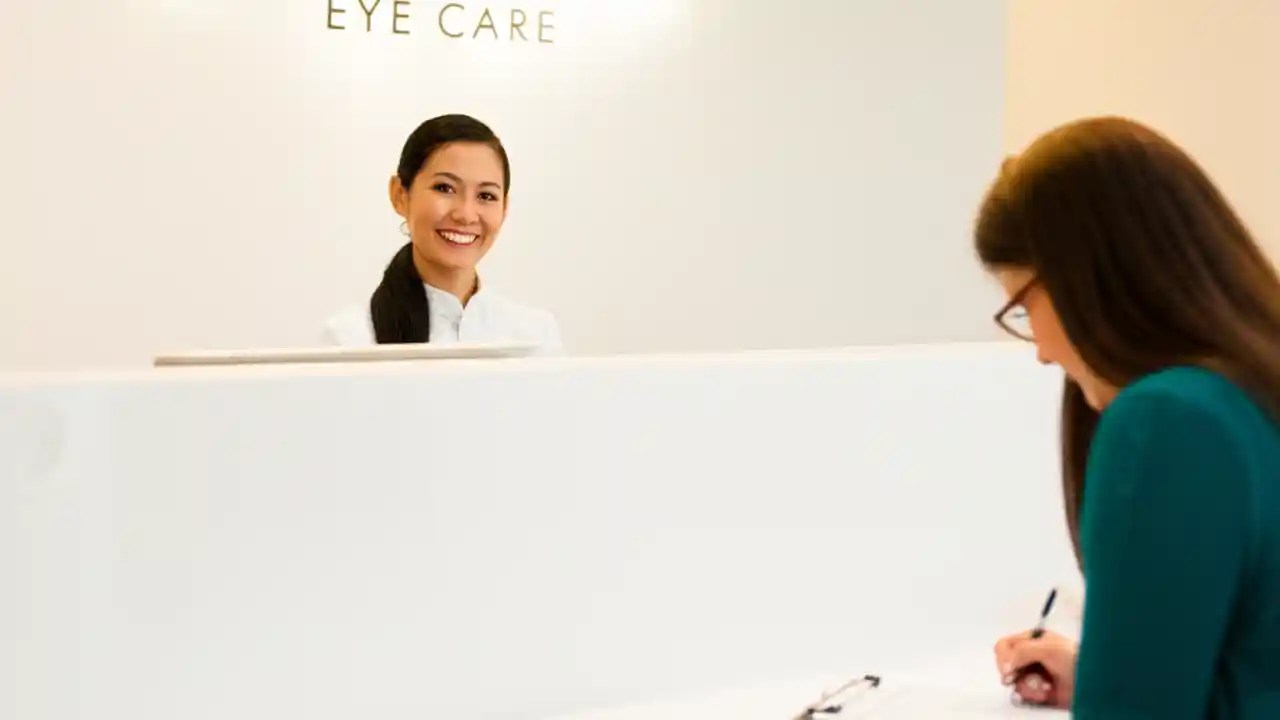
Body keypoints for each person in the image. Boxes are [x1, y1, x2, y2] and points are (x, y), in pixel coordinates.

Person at [977, 117, 1280, 717]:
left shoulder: (1165, 423)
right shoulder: (1251, 394)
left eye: (1022, 306)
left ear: (1083, 278)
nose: (1040, 351)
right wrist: (1106, 672)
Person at [323, 114, 563, 353]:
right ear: (400, 195)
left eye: (486, 196)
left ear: (504, 207)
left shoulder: (535, 337)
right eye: (444, 188)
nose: (466, 215)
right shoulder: (350, 339)